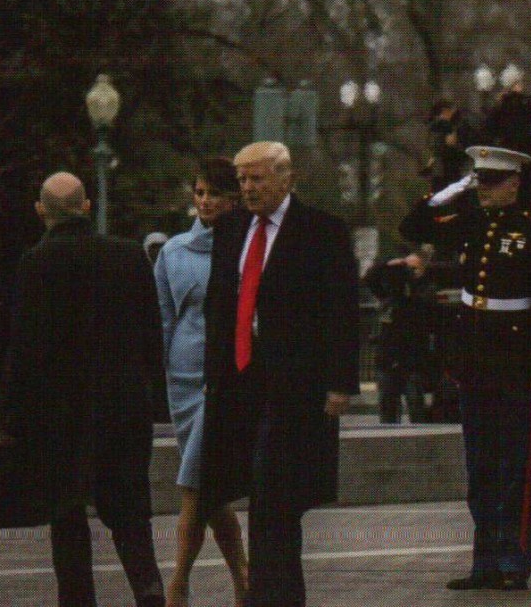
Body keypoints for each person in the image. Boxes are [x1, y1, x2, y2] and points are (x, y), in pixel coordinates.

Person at [400, 145, 531, 592]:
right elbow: (412, 228)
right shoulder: (471, 221)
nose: (484, 190)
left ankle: (513, 561)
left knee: (514, 465)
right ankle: (485, 563)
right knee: (479, 467)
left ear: (514, 182)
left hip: (515, 358)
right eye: (479, 181)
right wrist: (448, 191)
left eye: (492, 182)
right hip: (474, 357)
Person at [0, 172, 166, 607]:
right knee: (131, 514)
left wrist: (7, 415)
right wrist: (151, 395)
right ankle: (149, 593)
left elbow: (23, 348)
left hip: (60, 415)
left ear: (40, 211)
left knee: (66, 515)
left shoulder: (35, 263)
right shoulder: (130, 256)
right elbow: (152, 334)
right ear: (87, 206)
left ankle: (77, 598)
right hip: (124, 409)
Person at [199, 142, 359, 607]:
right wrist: (213, 372)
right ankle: (273, 594)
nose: (247, 188)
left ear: (286, 178)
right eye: (242, 179)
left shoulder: (321, 231)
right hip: (240, 382)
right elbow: (219, 304)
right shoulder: (231, 228)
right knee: (255, 493)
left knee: (275, 497)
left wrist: (341, 382)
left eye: (257, 178)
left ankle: (272, 597)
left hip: (295, 384)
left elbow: (342, 309)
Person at [154, 158, 250, 607]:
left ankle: (178, 583)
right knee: (209, 491)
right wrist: (155, 379)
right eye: (200, 192)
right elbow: (163, 318)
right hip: (183, 378)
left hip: (225, 378)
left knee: (194, 482)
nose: (205, 201)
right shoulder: (173, 252)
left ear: (233, 198)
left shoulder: (247, 246)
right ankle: (243, 578)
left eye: (214, 193)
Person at [363, 245, 442, 425]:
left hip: (413, 358)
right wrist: (387, 266)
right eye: (407, 268)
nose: (408, 272)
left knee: (415, 402)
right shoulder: (391, 295)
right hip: (388, 356)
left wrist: (413, 284)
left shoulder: (426, 290)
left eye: (413, 269)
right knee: (387, 402)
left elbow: (424, 307)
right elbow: (369, 279)